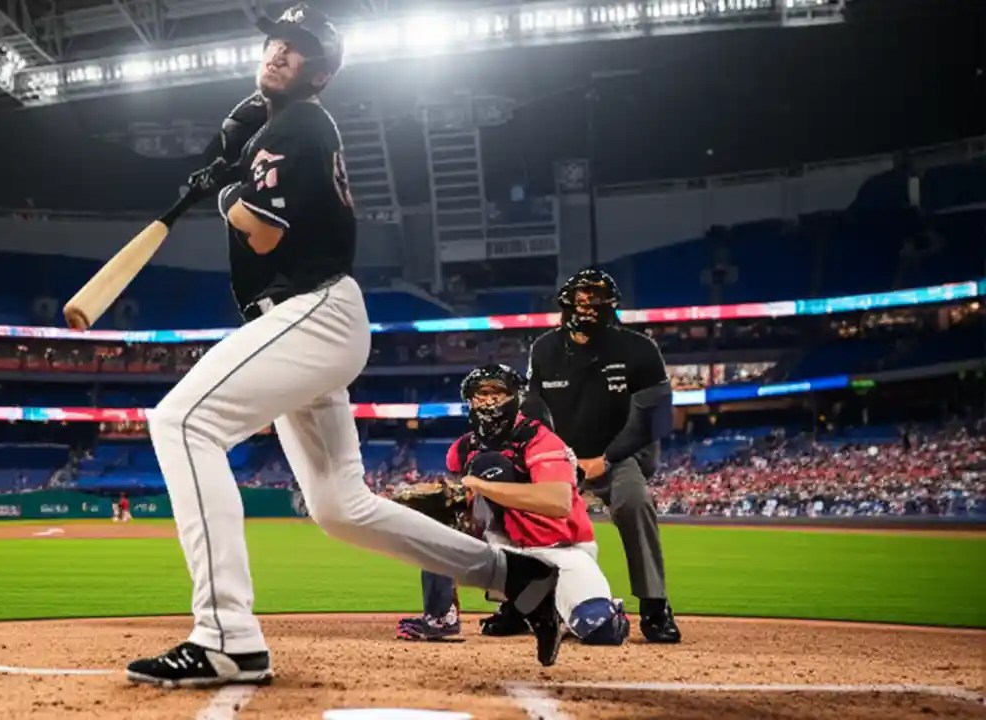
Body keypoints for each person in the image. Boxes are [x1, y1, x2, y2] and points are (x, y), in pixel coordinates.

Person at [123, 4, 562, 689]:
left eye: (296, 49)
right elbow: (255, 201)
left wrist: (223, 191)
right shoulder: (282, 129)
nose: (278, 53)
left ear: (320, 72)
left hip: (313, 310)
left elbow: (262, 232)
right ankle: (518, 576)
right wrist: (231, 172)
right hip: (308, 320)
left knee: (181, 421)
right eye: (275, 42)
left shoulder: (299, 123)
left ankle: (226, 636)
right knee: (340, 508)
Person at [398, 365, 629, 648]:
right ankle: (441, 616)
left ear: (515, 397)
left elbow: (558, 503)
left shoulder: (539, 439)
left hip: (556, 549)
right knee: (439, 517)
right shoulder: (461, 449)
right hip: (503, 548)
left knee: (601, 631)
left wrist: (481, 485)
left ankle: (551, 608)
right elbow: (465, 508)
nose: (489, 400)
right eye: (481, 393)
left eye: (499, 392)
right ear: (470, 400)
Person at [518, 268, 682, 643]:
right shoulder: (544, 348)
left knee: (634, 501)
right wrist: (547, 457)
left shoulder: (639, 348)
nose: (589, 307)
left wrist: (605, 459)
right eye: (582, 299)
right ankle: (519, 605)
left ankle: (656, 608)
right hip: (563, 457)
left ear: (611, 307)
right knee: (522, 508)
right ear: (567, 305)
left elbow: (651, 419)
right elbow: (533, 407)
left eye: (597, 300)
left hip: (620, 454)